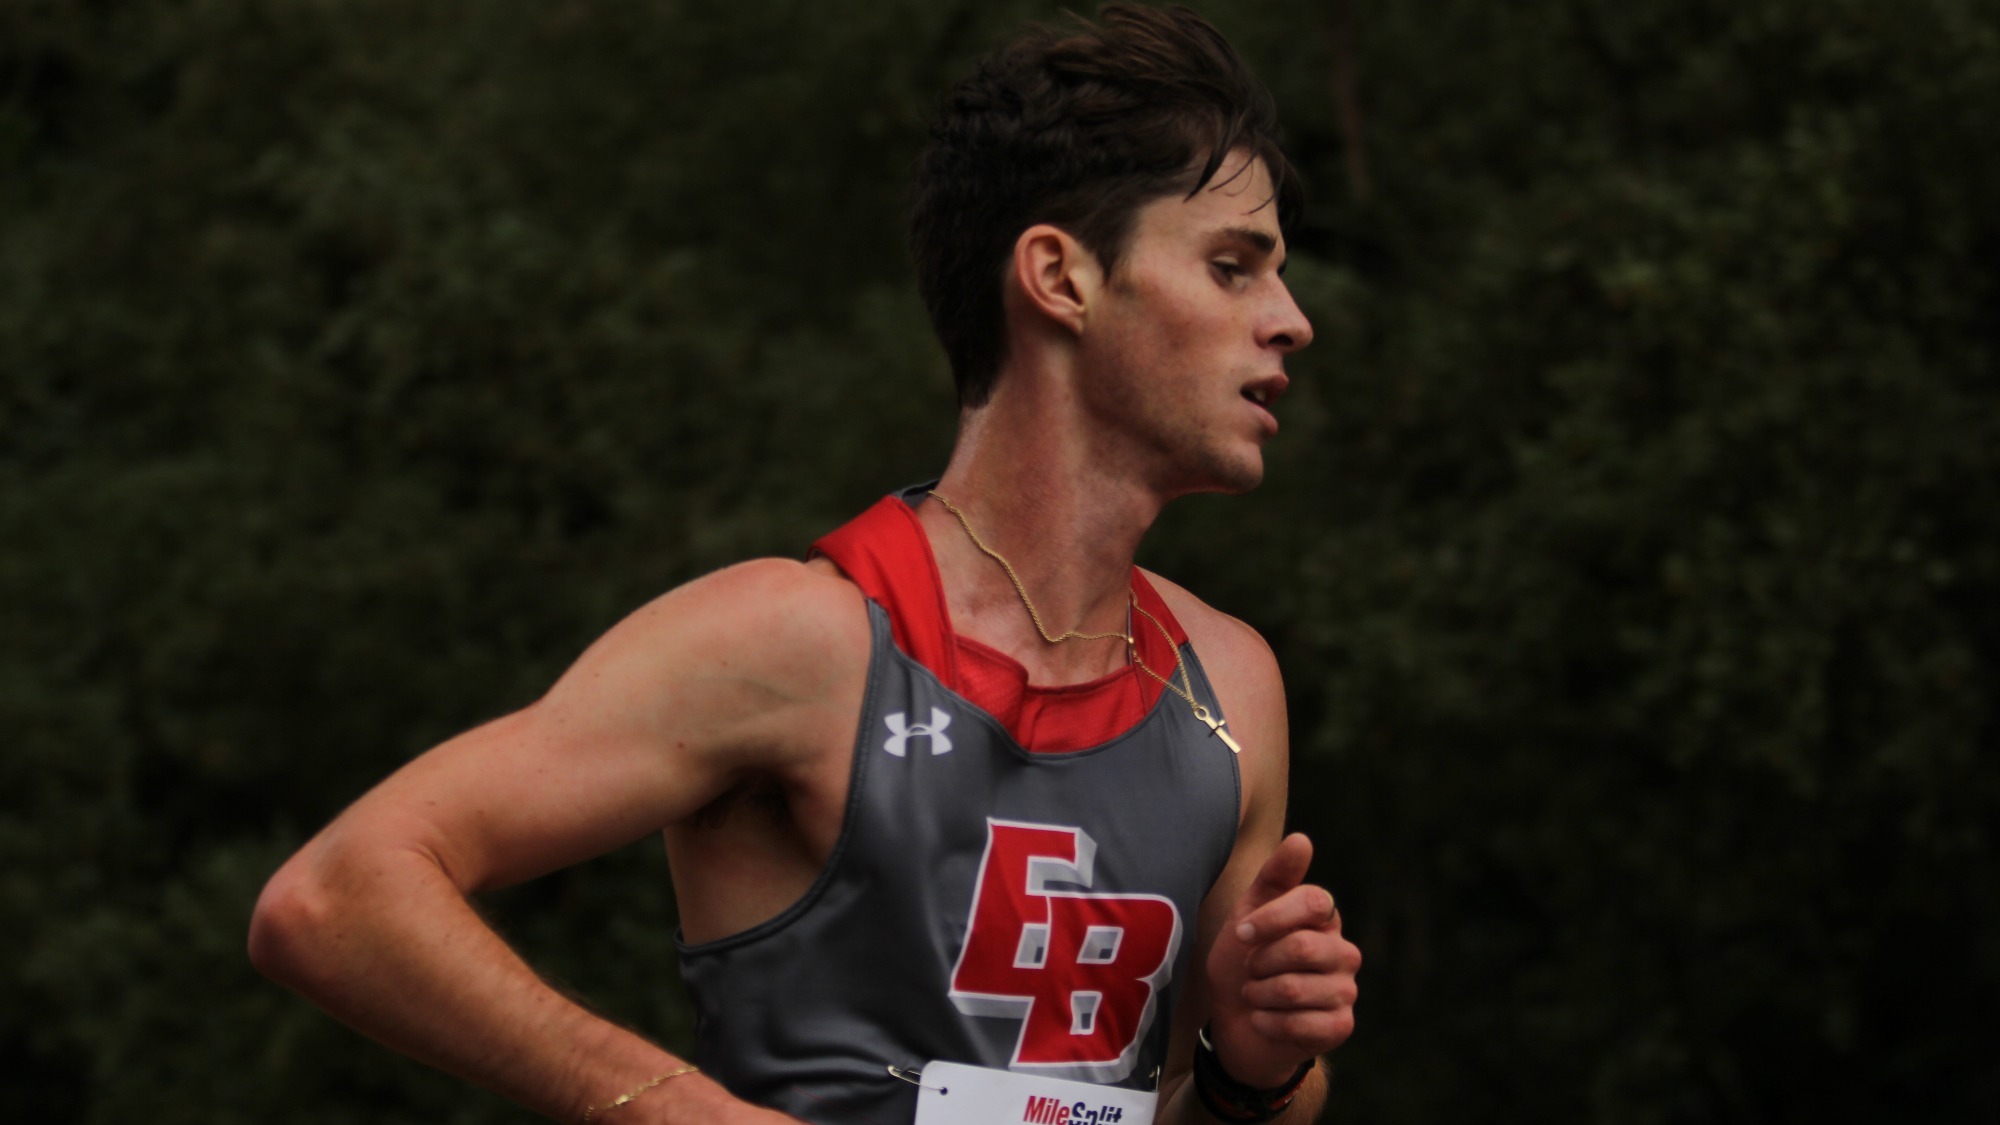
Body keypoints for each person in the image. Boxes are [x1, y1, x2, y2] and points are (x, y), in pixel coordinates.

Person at [249, 5, 1361, 1123]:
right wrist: (676, 1109)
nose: (1290, 321)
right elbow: (338, 897)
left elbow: (1191, 1109)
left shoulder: (1229, 688)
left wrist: (1249, 1068)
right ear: (1059, 279)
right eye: (1231, 268)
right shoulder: (796, 642)